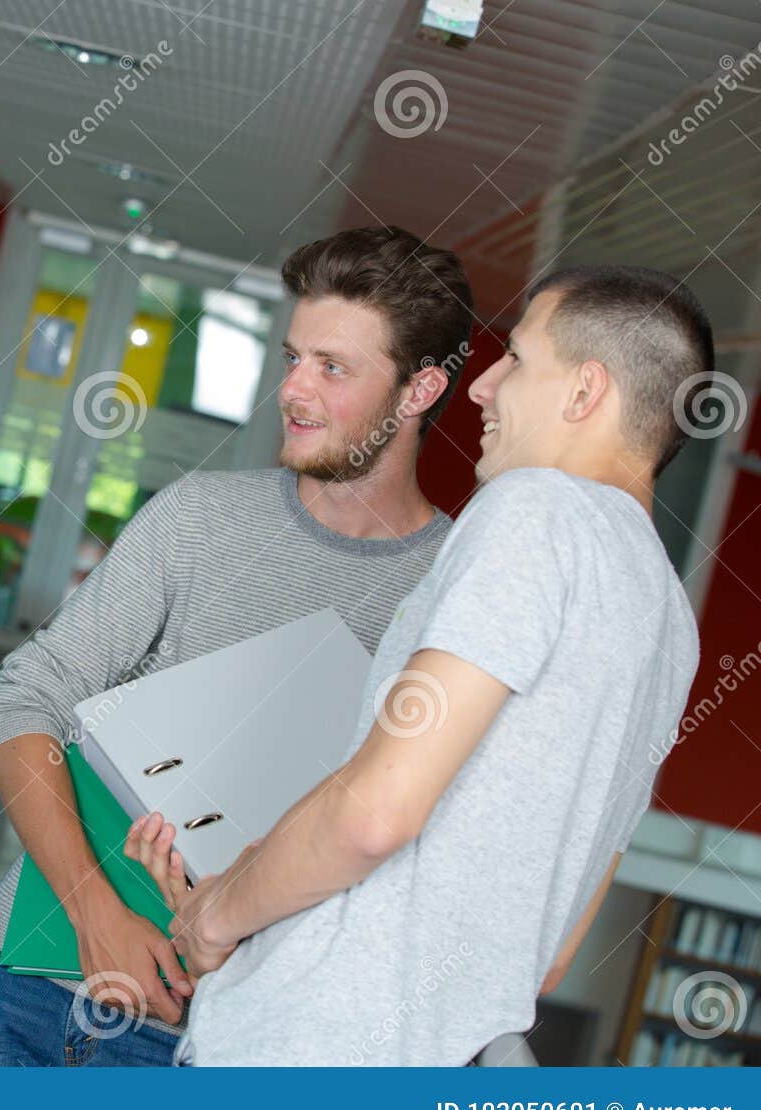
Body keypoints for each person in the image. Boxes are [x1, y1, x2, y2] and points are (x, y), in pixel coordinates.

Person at [130, 265, 707, 1066]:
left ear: (584, 393)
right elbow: (558, 945)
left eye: (517, 359)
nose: (483, 389)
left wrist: (219, 914)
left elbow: (376, 813)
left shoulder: (535, 513)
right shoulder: (670, 618)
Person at [0, 225, 475, 1066]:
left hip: (213, 1047)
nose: (295, 390)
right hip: (37, 991)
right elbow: (24, 697)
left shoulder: (451, 594)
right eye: (292, 357)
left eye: (333, 367)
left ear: (419, 389)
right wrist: (98, 914)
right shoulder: (198, 516)